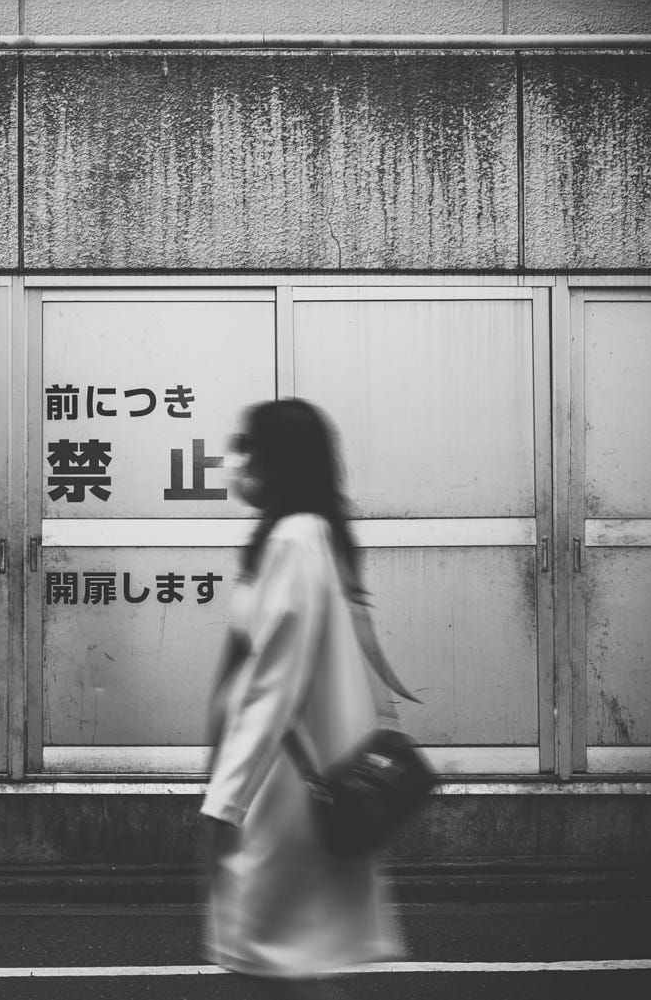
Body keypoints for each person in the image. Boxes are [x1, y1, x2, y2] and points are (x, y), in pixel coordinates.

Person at [201, 399, 404, 997]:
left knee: (267, 963)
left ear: (275, 458)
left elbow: (272, 686)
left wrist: (225, 801)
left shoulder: (292, 539)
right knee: (275, 964)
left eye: (247, 447)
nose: (236, 462)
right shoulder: (313, 533)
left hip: (281, 789)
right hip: (286, 780)